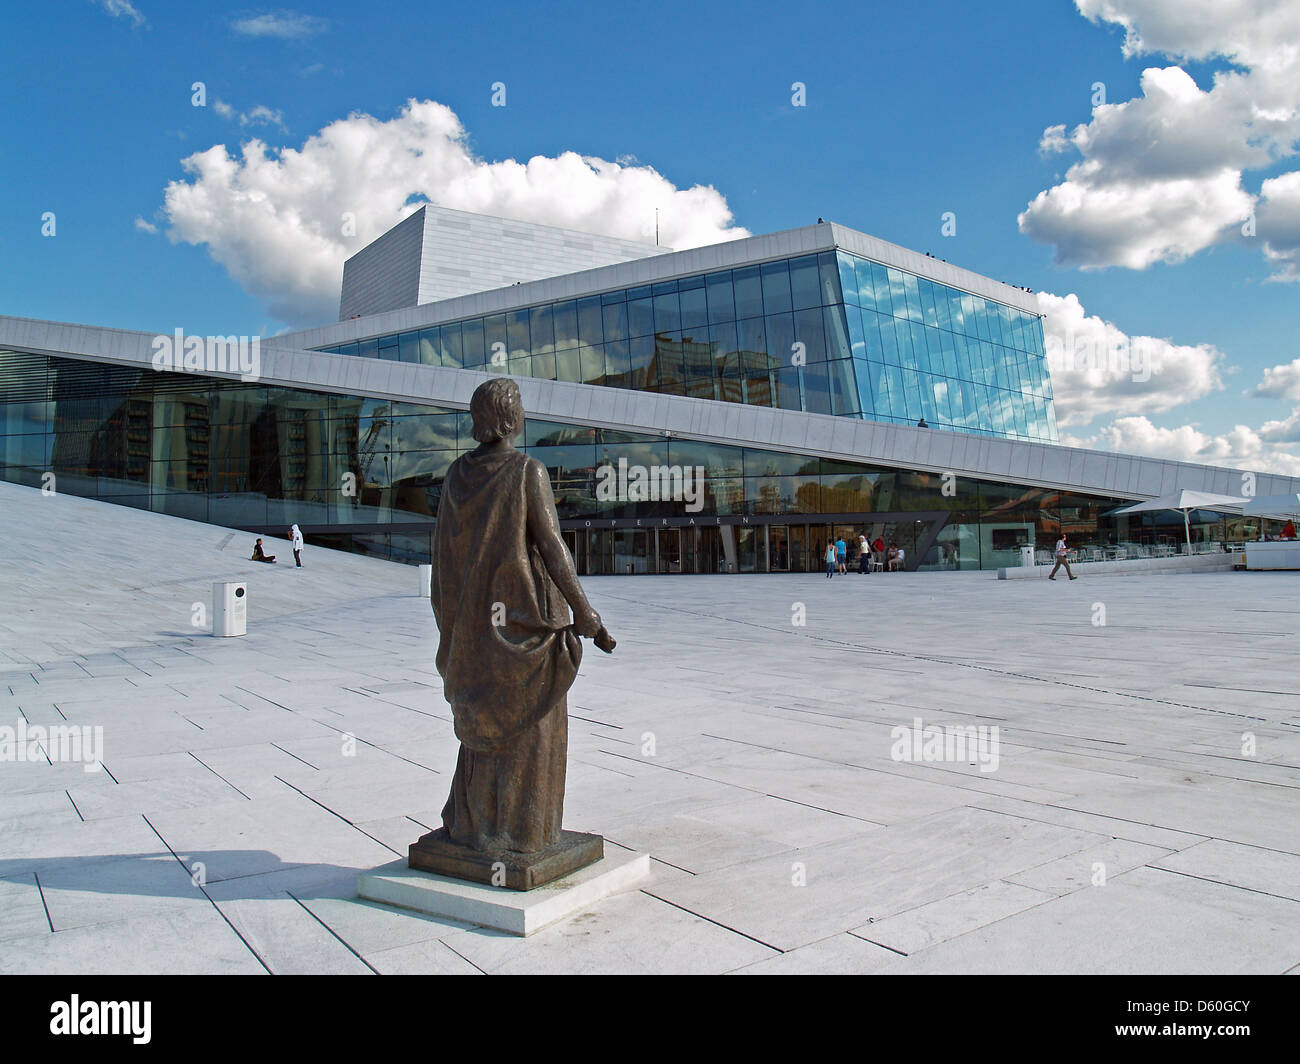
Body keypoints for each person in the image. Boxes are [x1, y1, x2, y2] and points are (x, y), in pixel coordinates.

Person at [431, 377, 614, 854]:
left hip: (475, 630)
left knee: (487, 726)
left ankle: (475, 829)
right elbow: (552, 546)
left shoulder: (456, 476)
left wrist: (453, 628)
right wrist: (585, 611)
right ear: (513, 418)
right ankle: (523, 834)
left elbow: (445, 558)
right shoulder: (527, 471)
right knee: (533, 727)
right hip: (524, 630)